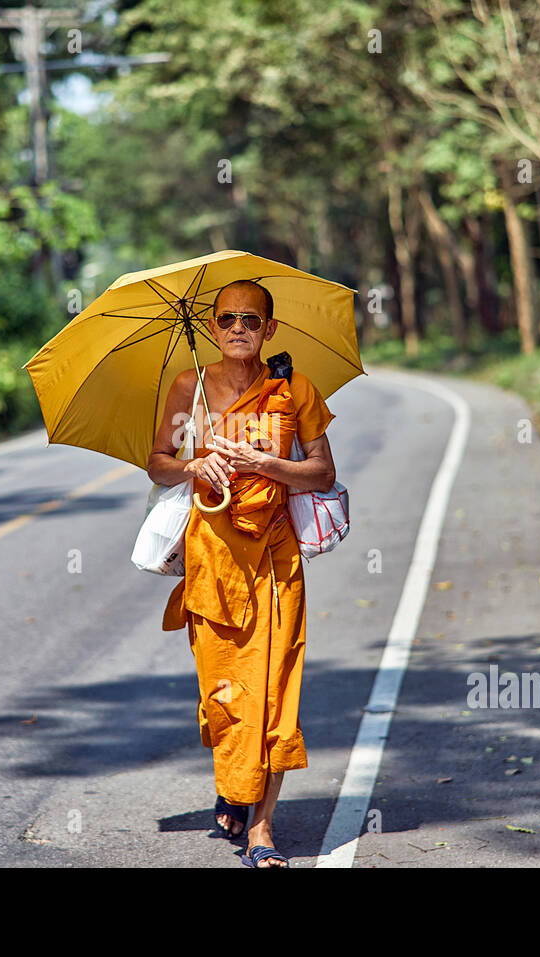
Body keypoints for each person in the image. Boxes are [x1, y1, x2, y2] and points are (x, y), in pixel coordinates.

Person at [145, 278, 337, 867]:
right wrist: (195, 463)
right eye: (226, 320)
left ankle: (262, 830)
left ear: (269, 329)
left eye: (250, 321)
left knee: (275, 690)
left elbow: (324, 474)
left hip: (276, 561)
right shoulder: (190, 388)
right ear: (211, 328)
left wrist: (269, 463)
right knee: (224, 692)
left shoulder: (293, 389)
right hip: (212, 563)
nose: (237, 330)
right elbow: (157, 465)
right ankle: (234, 784)